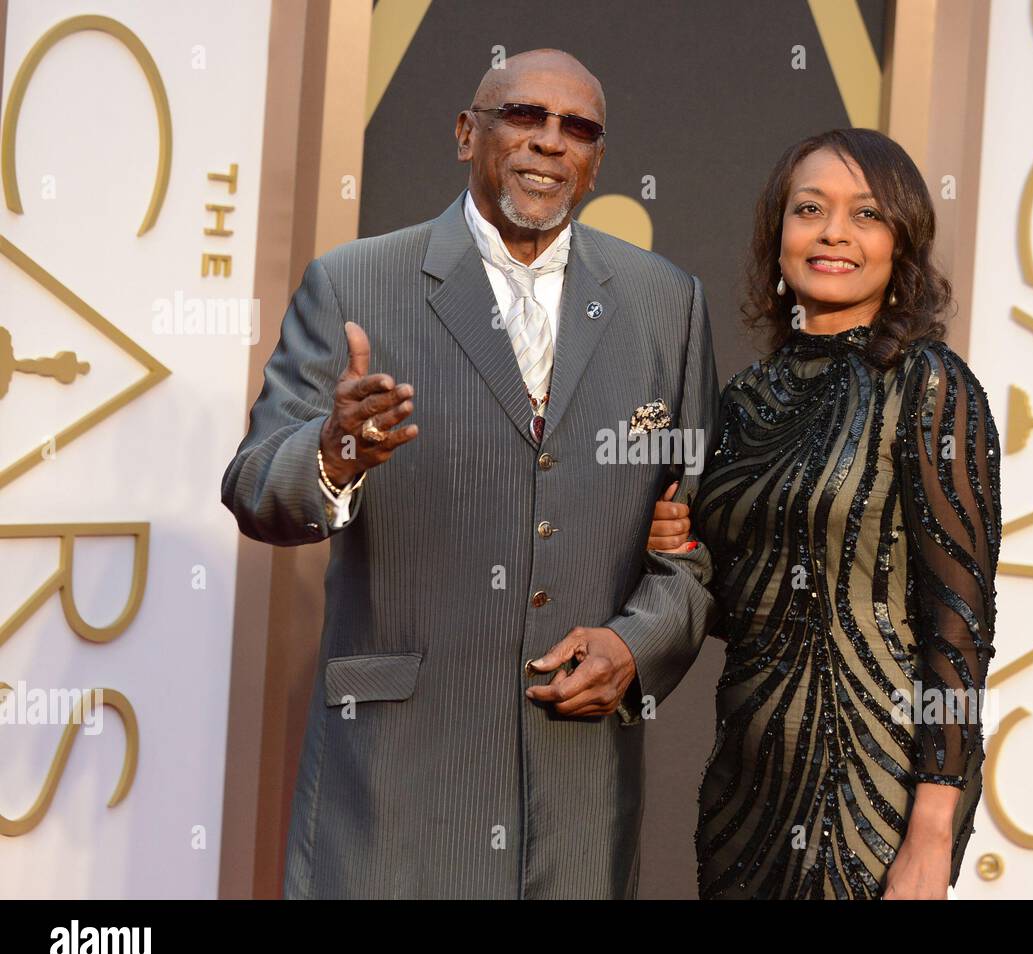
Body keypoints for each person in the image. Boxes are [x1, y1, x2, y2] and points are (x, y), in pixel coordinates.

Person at [222, 49, 719, 898]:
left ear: (598, 159)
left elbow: (696, 543)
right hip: (395, 783)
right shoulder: (356, 281)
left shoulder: (664, 302)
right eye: (524, 117)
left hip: (577, 787)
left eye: (578, 129)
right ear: (466, 134)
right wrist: (337, 451)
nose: (551, 143)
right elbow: (257, 485)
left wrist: (635, 646)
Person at [648, 128, 1003, 899]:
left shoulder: (930, 386)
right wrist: (684, 551)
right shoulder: (743, 401)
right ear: (778, 236)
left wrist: (932, 829)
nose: (834, 232)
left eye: (866, 214)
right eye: (811, 209)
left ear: (900, 244)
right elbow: (745, 603)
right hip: (747, 783)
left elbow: (960, 622)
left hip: (875, 783)